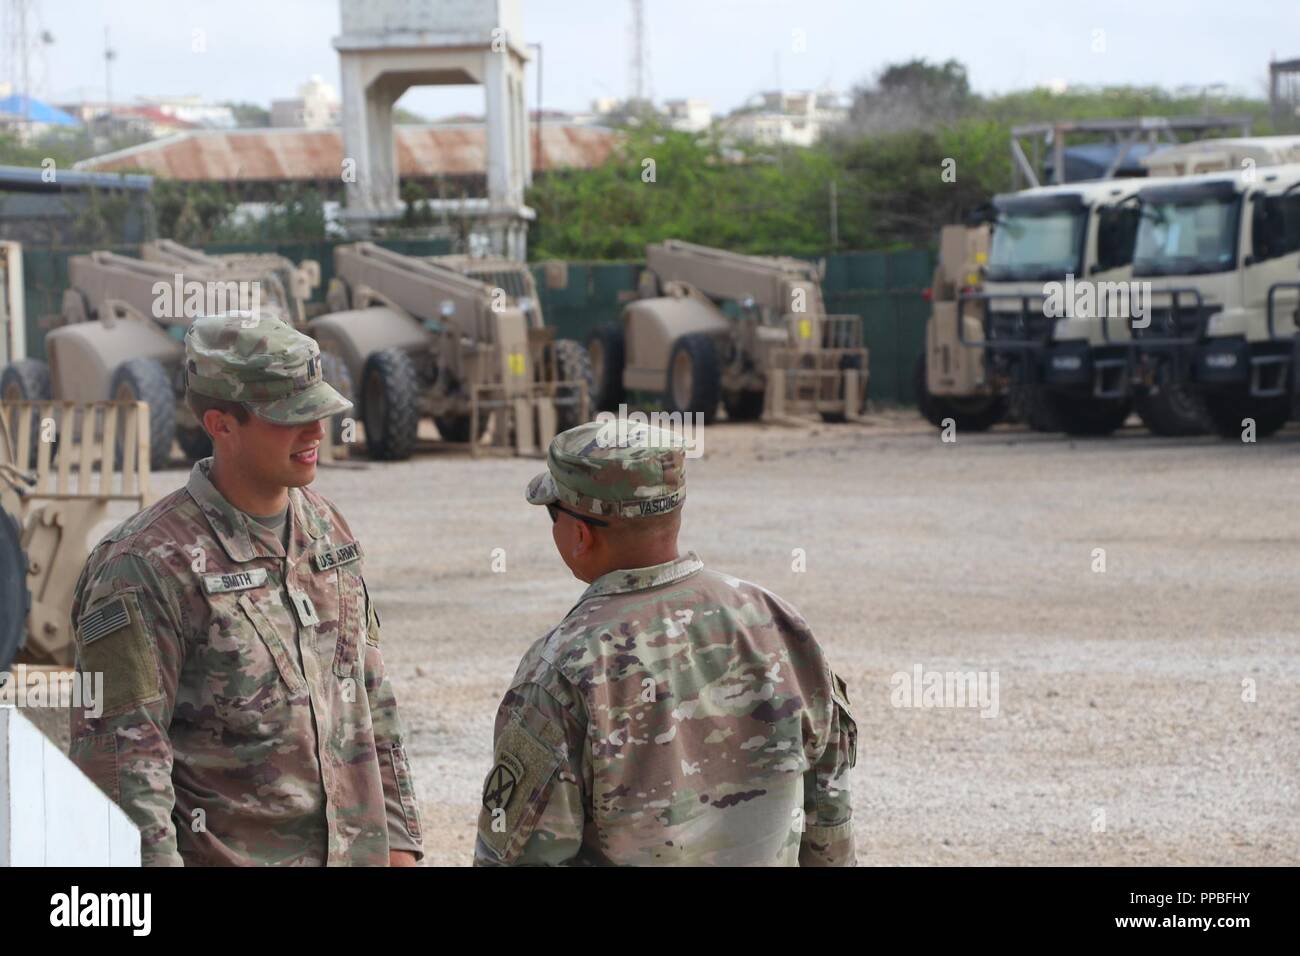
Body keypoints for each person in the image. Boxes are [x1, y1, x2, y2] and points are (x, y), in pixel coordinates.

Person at [69, 312, 423, 866]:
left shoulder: (327, 530)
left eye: (320, 410)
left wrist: (400, 847)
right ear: (221, 424)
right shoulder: (142, 567)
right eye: (291, 417)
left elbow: (371, 701)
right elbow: (123, 765)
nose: (316, 431)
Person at [474, 419, 857, 866]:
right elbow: (829, 824)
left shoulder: (562, 669)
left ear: (580, 535)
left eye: (552, 513)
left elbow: (521, 855)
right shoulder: (781, 625)